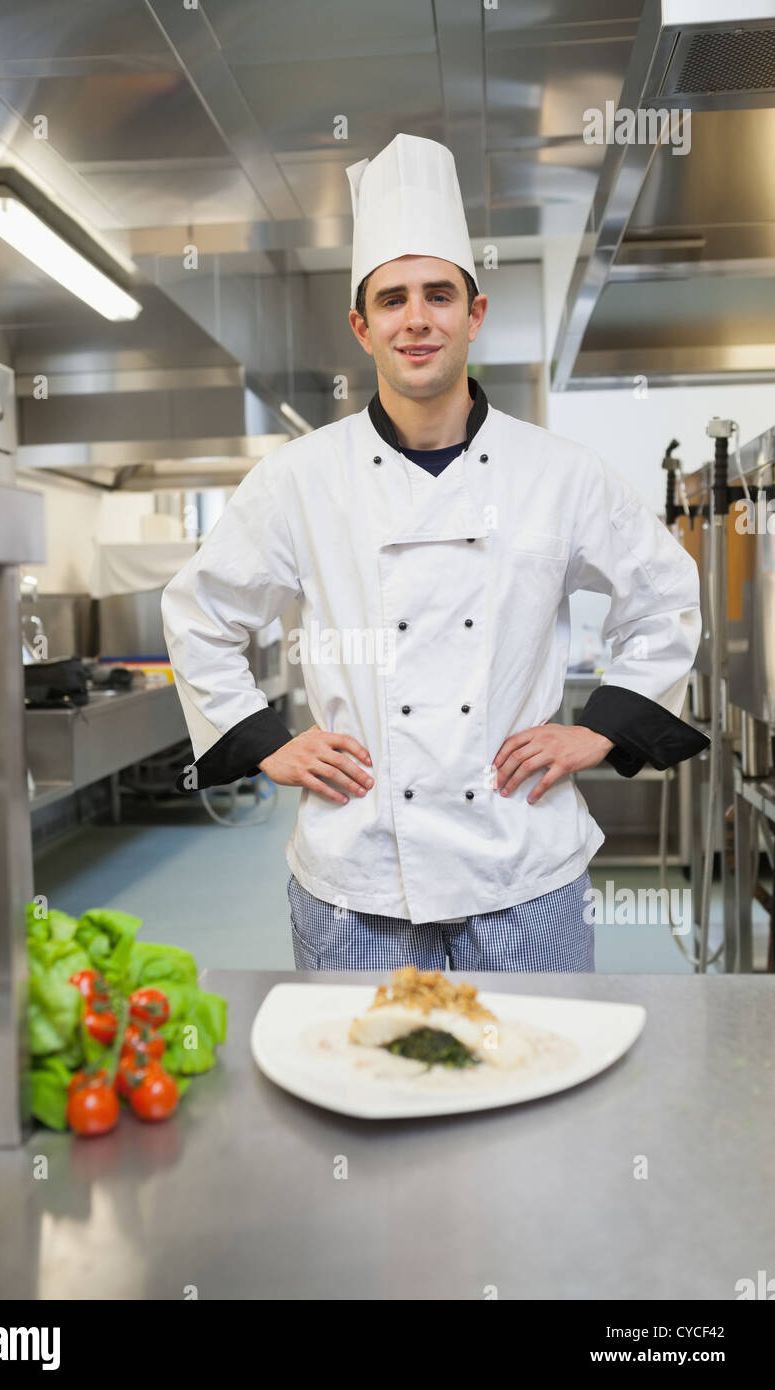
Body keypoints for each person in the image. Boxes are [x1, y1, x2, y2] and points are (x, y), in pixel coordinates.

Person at [161, 132, 709, 973]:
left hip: (523, 866)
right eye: (392, 300)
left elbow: (666, 596)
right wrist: (265, 740)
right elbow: (200, 612)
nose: (417, 318)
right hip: (358, 879)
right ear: (362, 325)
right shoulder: (301, 479)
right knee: (357, 1093)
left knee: (539, 1090)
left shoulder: (560, 474)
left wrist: (597, 731)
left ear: (474, 312)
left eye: (439, 294)